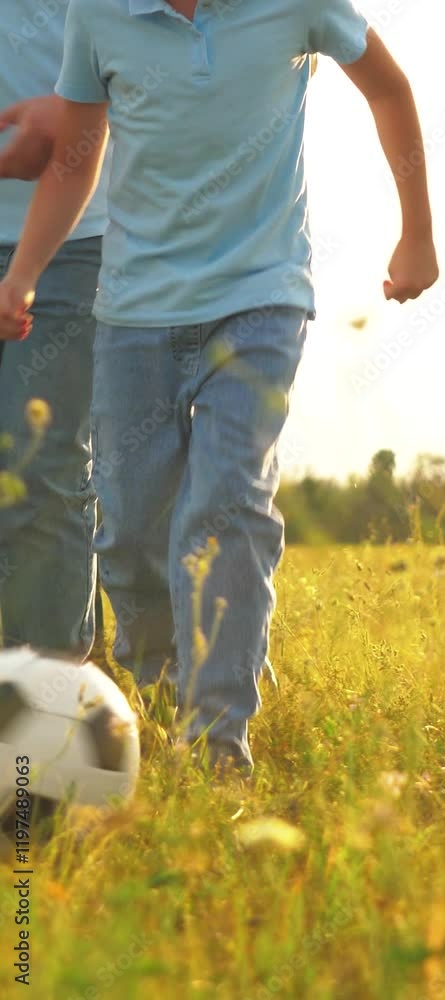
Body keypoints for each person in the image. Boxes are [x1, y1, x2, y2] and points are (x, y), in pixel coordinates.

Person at [0, 0, 439, 771]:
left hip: (260, 300)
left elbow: (388, 86)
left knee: (225, 506)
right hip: (133, 310)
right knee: (131, 531)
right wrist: (26, 273)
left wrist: (417, 232)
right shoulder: (100, 15)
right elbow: (76, 154)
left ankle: (217, 743)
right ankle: (158, 693)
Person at [0, 6, 108, 655]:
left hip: (75, 236)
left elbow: (181, 49)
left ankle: (48, 696)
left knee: (40, 468)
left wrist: (83, 112)